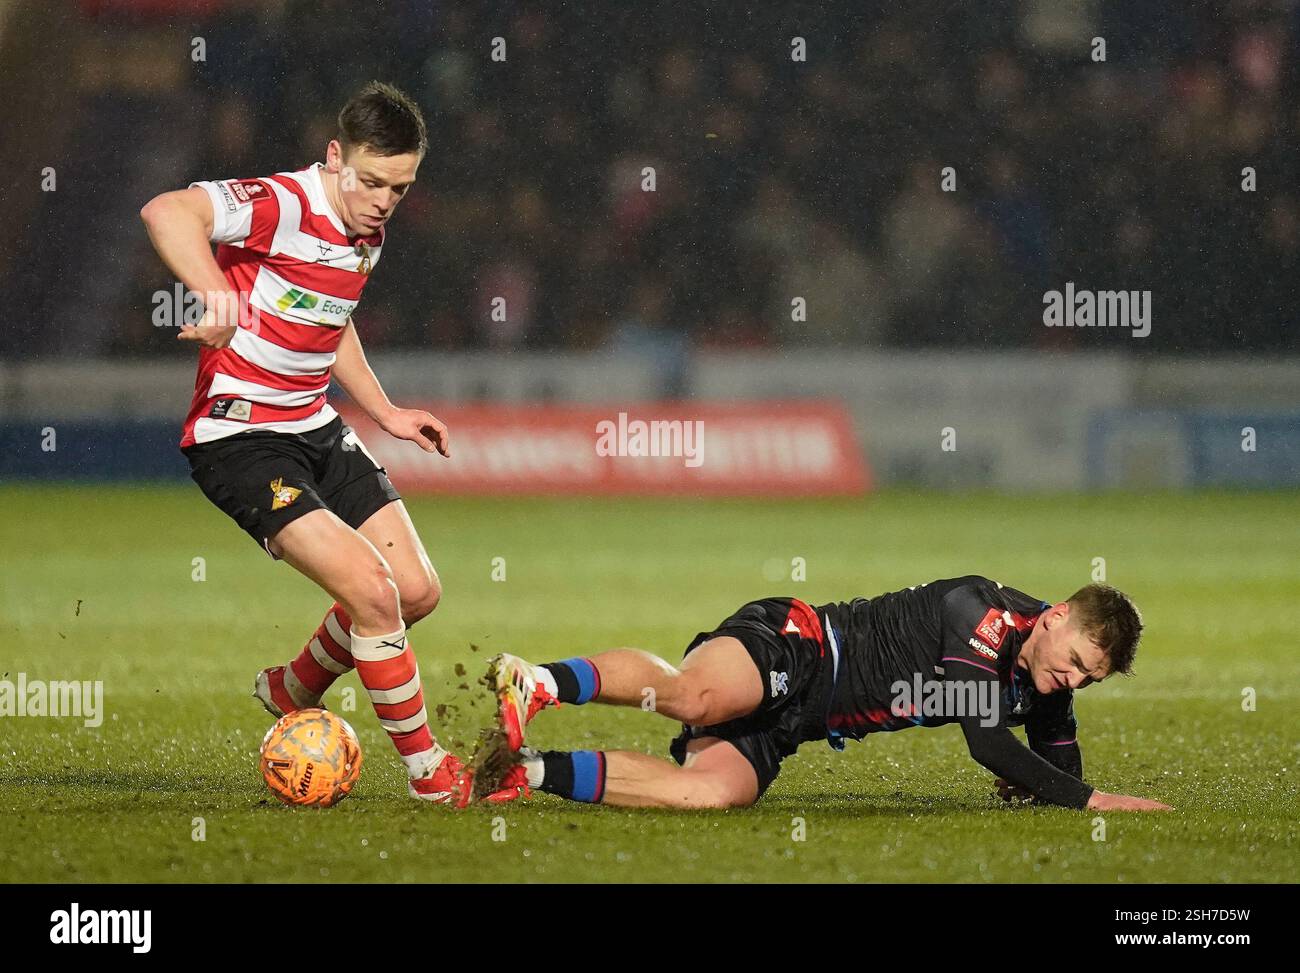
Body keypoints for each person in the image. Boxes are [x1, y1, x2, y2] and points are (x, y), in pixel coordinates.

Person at [140, 81, 462, 801]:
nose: (383, 201)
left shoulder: (365, 230)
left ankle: (295, 686)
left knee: (415, 590)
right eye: (372, 181)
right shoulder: (283, 202)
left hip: (313, 423)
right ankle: (431, 776)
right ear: (334, 157)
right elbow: (166, 211)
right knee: (374, 595)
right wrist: (213, 290)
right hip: (241, 438)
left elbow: (331, 315)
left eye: (400, 189)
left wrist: (384, 410)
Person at [460, 577, 1172, 812]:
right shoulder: (979, 615)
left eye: (1089, 678)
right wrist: (1092, 801)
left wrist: (1056, 787)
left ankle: (524, 772)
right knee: (693, 698)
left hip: (798, 721)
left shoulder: (1049, 678)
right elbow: (987, 740)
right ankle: (541, 679)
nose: (1072, 681)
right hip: (801, 645)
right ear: (1053, 619)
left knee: (707, 794)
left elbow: (1058, 769)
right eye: (1076, 661)